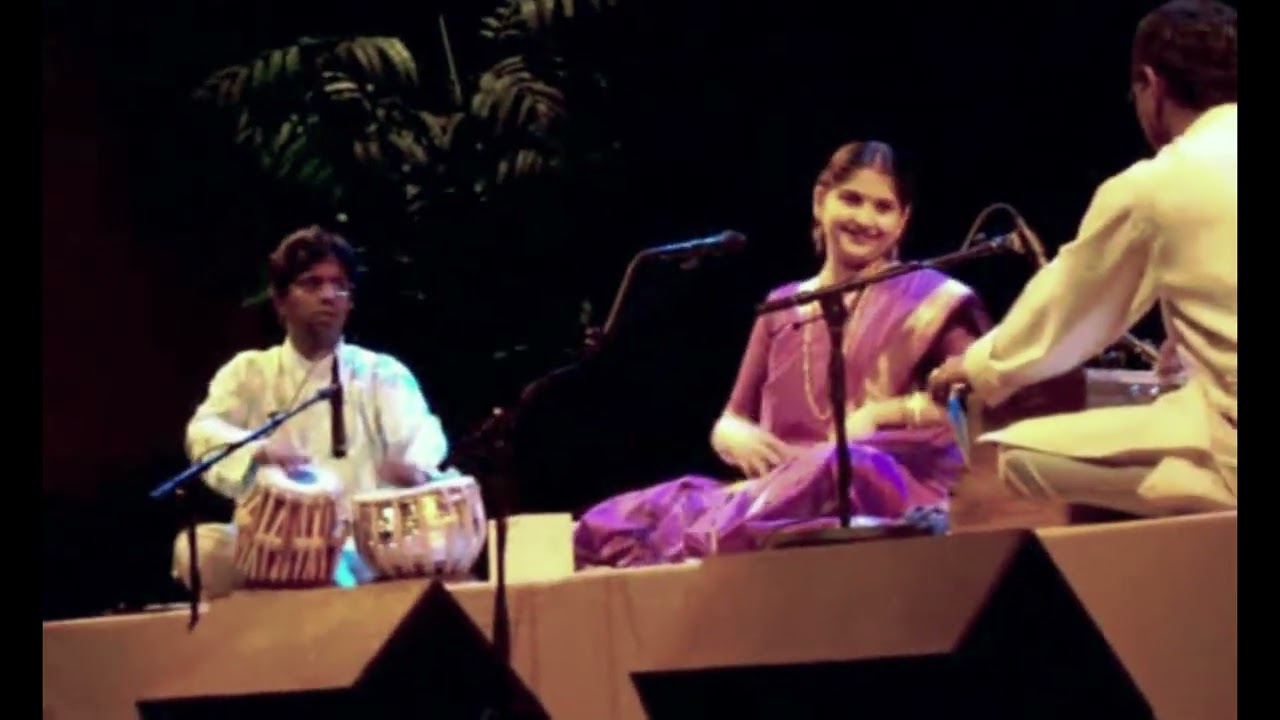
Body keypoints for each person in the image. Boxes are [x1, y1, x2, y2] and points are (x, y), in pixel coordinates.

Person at [574, 141, 992, 568]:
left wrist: (883, 415)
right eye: (851, 199)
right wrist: (733, 436)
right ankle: (703, 539)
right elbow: (732, 418)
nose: (865, 219)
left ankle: (697, 544)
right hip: (780, 490)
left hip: (883, 484)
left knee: (842, 463)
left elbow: (982, 401)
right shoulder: (781, 307)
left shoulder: (935, 299)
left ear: (903, 221)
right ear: (819, 201)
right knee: (615, 519)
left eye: (883, 207)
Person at [928, 0, 1237, 517]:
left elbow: (1065, 320)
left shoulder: (1157, 185)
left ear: (1151, 84)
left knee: (993, 466)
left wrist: (977, 367)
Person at [171, 226, 451, 598]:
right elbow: (203, 432)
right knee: (197, 548)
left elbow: (421, 432)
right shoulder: (250, 371)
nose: (329, 296)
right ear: (280, 300)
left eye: (339, 285)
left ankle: (327, 582)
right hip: (271, 551)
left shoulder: (380, 372)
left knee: (355, 566)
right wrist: (259, 449)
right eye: (312, 283)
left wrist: (416, 465)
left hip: (361, 549)